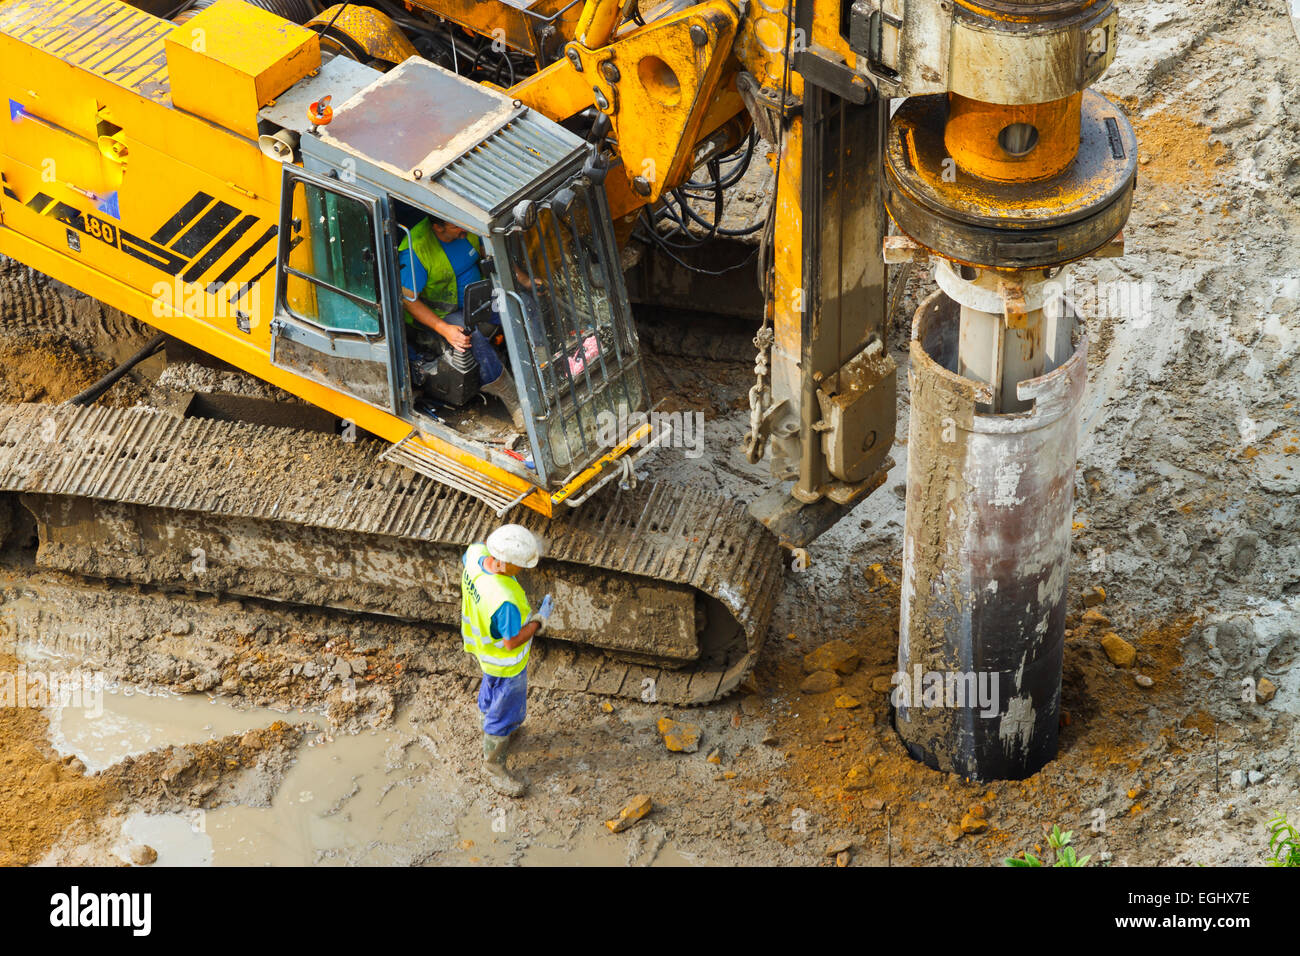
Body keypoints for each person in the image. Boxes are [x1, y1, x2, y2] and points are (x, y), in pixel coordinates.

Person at [399, 216, 525, 429]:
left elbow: (494, 254)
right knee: (471, 339)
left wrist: (524, 280)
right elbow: (409, 301)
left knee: (519, 304)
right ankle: (512, 400)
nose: (463, 228)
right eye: (455, 225)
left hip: (480, 300)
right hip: (445, 314)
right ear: (437, 227)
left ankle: (541, 364)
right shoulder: (417, 251)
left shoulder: (467, 227)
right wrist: (444, 329)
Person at [460, 523, 554, 797]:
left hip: (483, 649)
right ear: (503, 564)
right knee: (505, 709)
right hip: (506, 661)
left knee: (491, 688)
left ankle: (485, 720)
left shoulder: (476, 554)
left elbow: (467, 559)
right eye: (519, 566)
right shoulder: (505, 601)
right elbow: (512, 640)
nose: (522, 571)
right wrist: (539, 621)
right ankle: (493, 767)